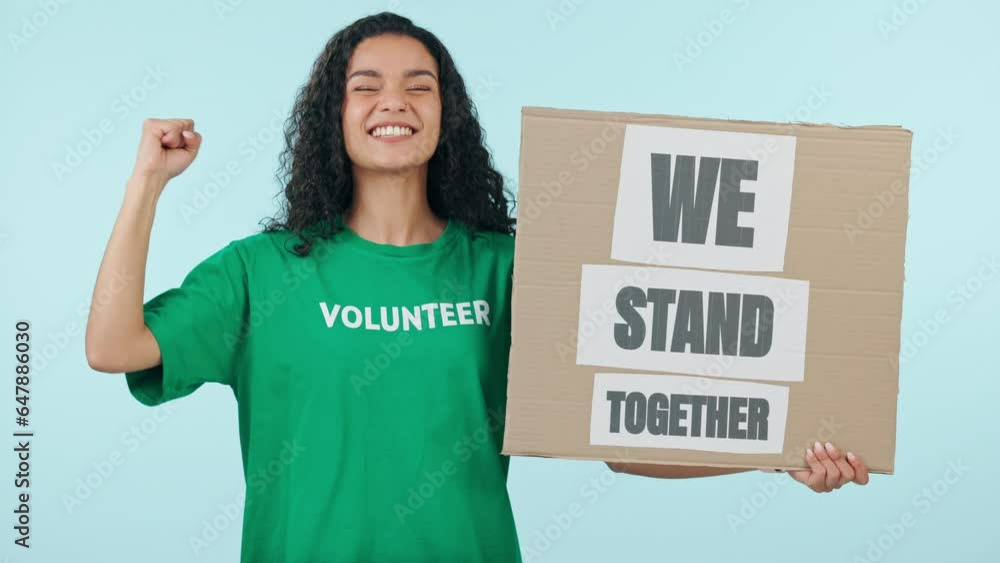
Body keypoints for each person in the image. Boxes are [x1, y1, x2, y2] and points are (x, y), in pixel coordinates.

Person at [85, 11, 869, 563]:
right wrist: (146, 182)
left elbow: (624, 440)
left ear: (446, 112)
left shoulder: (512, 270)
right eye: (366, 86)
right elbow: (113, 346)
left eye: (419, 85)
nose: (394, 101)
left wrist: (780, 452)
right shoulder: (262, 271)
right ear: (333, 115)